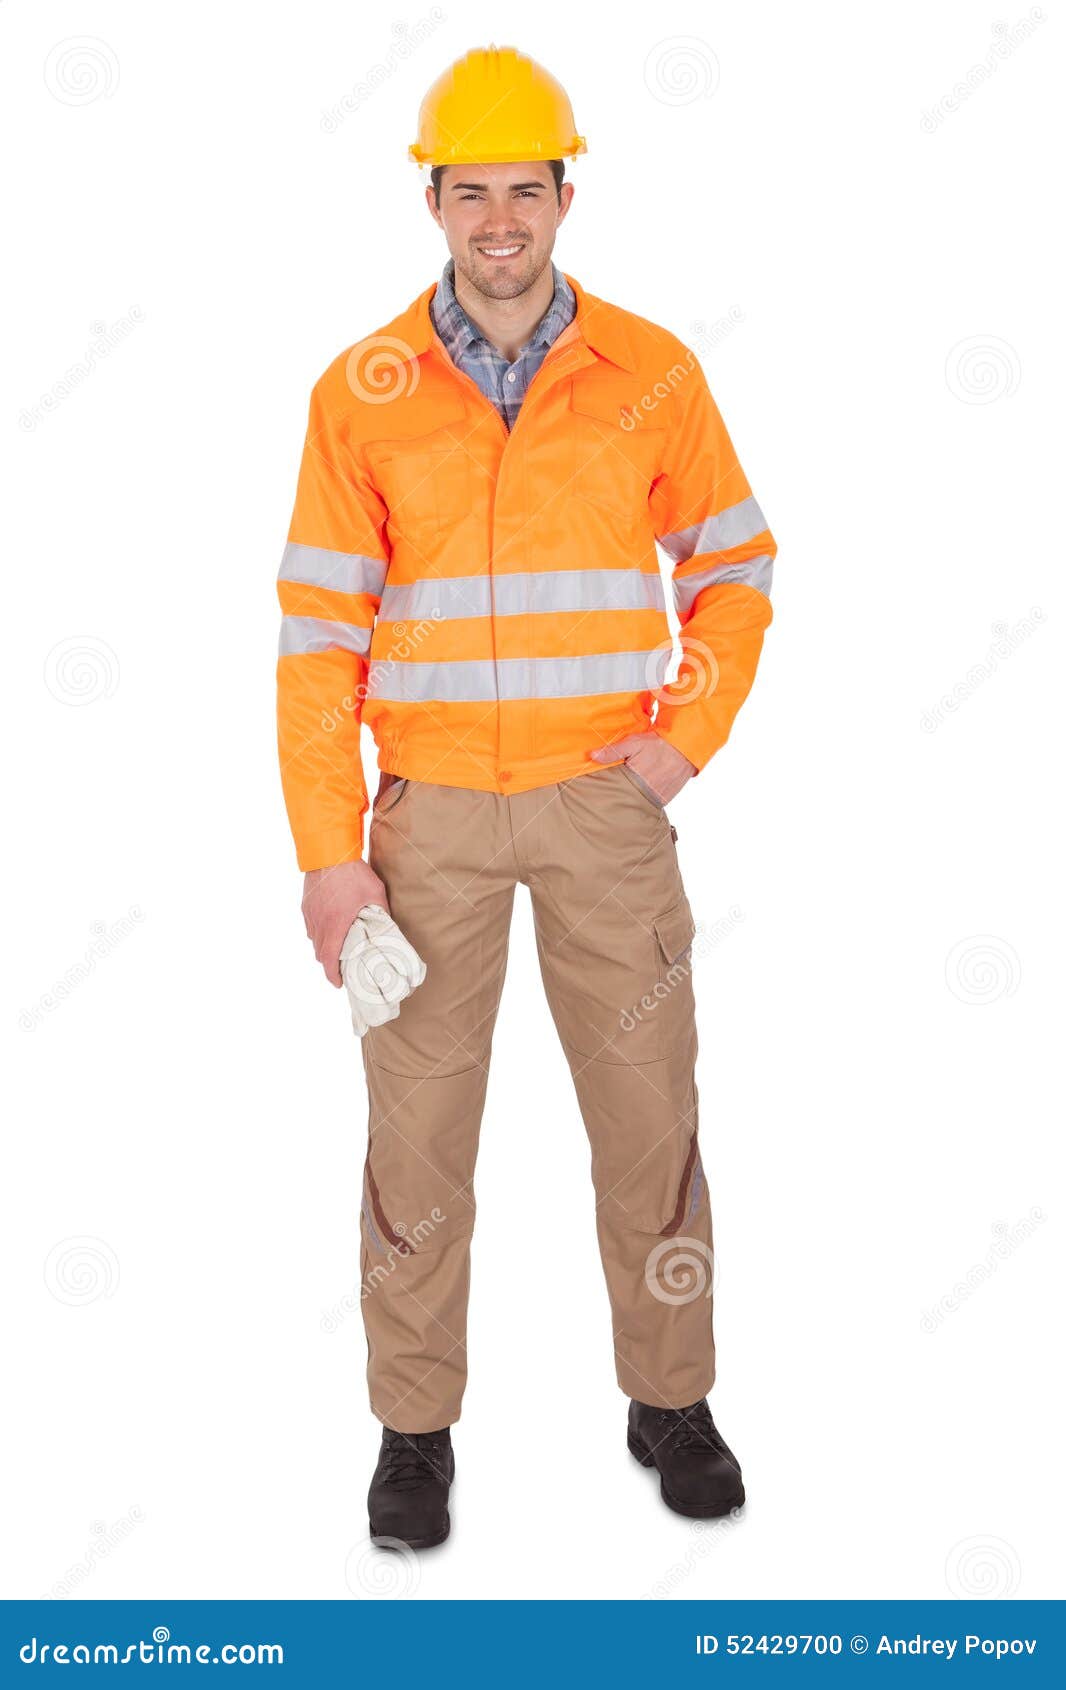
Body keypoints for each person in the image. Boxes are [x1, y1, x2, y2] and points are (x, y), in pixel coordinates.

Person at [276, 45, 777, 1550]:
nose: (500, 216)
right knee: (415, 1138)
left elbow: (736, 566)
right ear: (432, 200)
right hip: (423, 824)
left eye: (526, 188)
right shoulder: (361, 393)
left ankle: (668, 1397)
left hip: (598, 813)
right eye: (471, 189)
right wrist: (327, 853)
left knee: (647, 1118)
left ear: (566, 192)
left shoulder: (650, 372)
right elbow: (316, 641)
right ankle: (412, 1430)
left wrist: (681, 744)